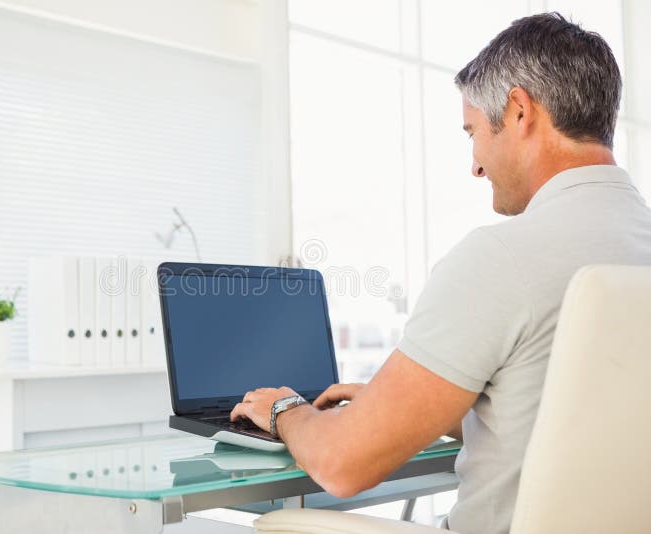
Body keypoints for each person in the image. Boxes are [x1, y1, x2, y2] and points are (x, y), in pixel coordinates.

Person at [230, 12, 651, 534]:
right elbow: (577, 421)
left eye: (473, 132)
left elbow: (342, 464)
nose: (475, 165)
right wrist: (404, 410)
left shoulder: (502, 257)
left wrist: (287, 410)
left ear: (519, 111)